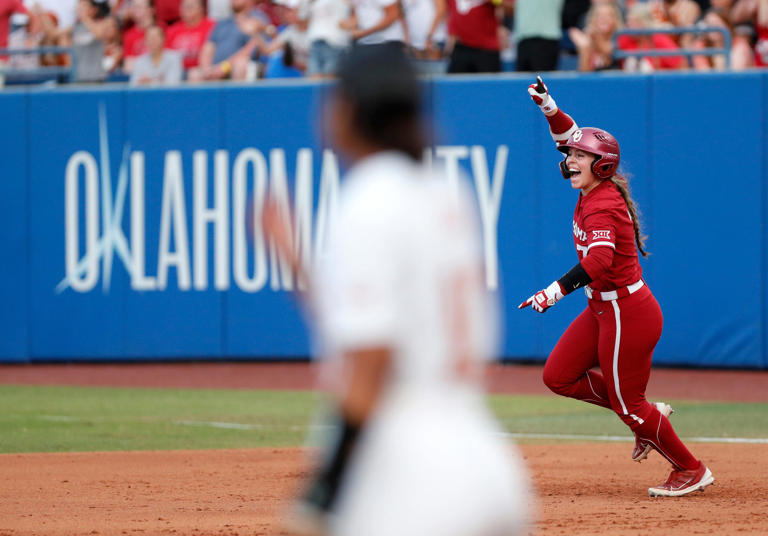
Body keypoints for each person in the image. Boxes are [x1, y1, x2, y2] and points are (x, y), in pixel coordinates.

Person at [265, 45, 530, 536]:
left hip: (409, 479)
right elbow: (392, 327)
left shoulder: (370, 197)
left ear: (349, 109)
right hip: (485, 461)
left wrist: (322, 494)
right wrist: (299, 267)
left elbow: (372, 360)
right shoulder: (443, 193)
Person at [520, 77, 715, 498]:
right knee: (559, 376)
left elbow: (600, 262)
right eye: (571, 154)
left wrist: (552, 292)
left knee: (630, 404)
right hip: (603, 309)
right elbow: (565, 134)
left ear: (602, 165)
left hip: (628, 312)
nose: (570, 159)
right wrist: (549, 107)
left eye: (580, 156)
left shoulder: (603, 203)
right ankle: (643, 415)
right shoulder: (592, 188)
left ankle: (690, 469)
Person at [165, 0, 216, 70]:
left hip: (201, 70)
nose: (186, 9)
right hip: (176, 71)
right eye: (183, 6)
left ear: (201, 8)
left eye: (190, 6)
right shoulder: (172, 30)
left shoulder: (212, 27)